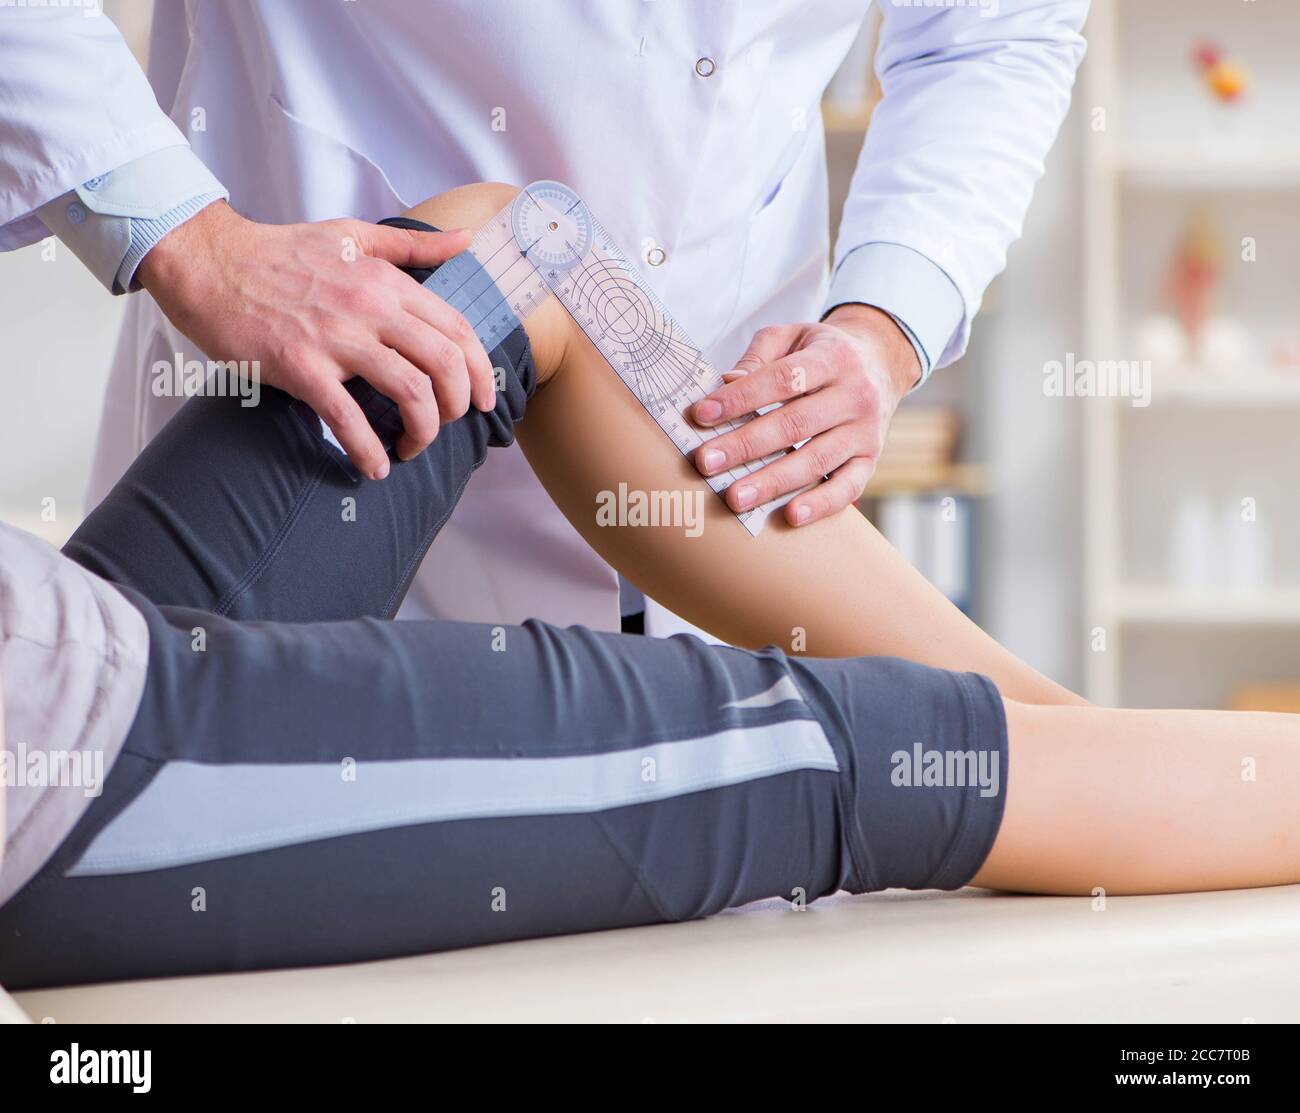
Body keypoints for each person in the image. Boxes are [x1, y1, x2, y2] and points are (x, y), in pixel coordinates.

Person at [2, 183, 1297, 991]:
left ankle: (1088, 746)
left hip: (56, 639)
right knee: (868, 753)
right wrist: (179, 232)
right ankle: (1110, 773)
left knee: (513, 249)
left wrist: (885, 318)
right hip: (61, 769)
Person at [0, 0, 1090, 639]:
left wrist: (885, 323)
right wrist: (191, 240)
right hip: (322, 414)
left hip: (717, 446)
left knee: (960, 762)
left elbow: (991, 34)